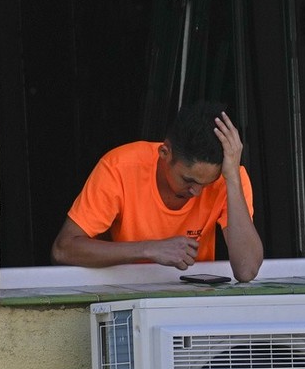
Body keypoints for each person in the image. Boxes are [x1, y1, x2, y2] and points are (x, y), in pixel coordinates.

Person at [51, 101, 264, 282]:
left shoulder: (230, 177)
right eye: (188, 180)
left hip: (195, 298)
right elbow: (63, 250)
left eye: (207, 183)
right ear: (164, 152)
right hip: (125, 293)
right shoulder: (119, 167)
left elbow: (246, 270)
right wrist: (149, 249)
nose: (197, 192)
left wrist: (233, 178)